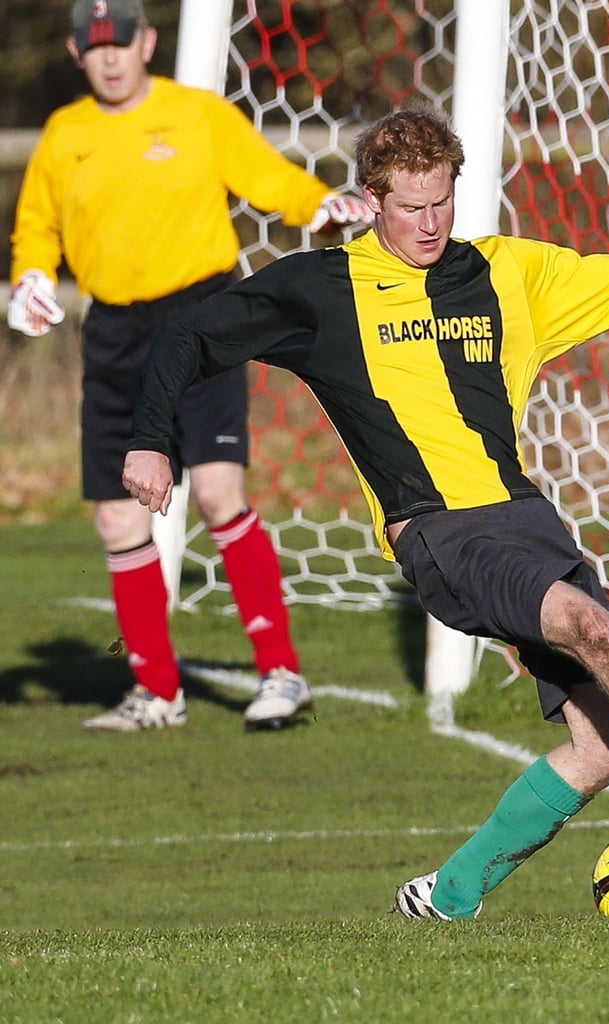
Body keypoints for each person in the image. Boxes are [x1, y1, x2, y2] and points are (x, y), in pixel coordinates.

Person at [121, 106, 609, 917]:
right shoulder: (321, 289)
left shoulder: (507, 273)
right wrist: (152, 441)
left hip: (526, 520)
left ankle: (453, 894)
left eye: (442, 201)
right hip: (437, 530)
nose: (429, 223)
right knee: (595, 629)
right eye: (409, 206)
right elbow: (188, 334)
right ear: (371, 200)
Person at [7, 0, 374, 732]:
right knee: (117, 515)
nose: (109, 57)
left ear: (147, 41)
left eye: (121, 42)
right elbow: (36, 228)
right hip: (112, 330)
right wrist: (30, 280)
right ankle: (157, 692)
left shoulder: (198, 115)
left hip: (202, 319)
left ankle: (281, 675)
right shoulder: (65, 133)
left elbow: (272, 181)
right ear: (78, 55)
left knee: (213, 491)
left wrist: (321, 206)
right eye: (93, 45)